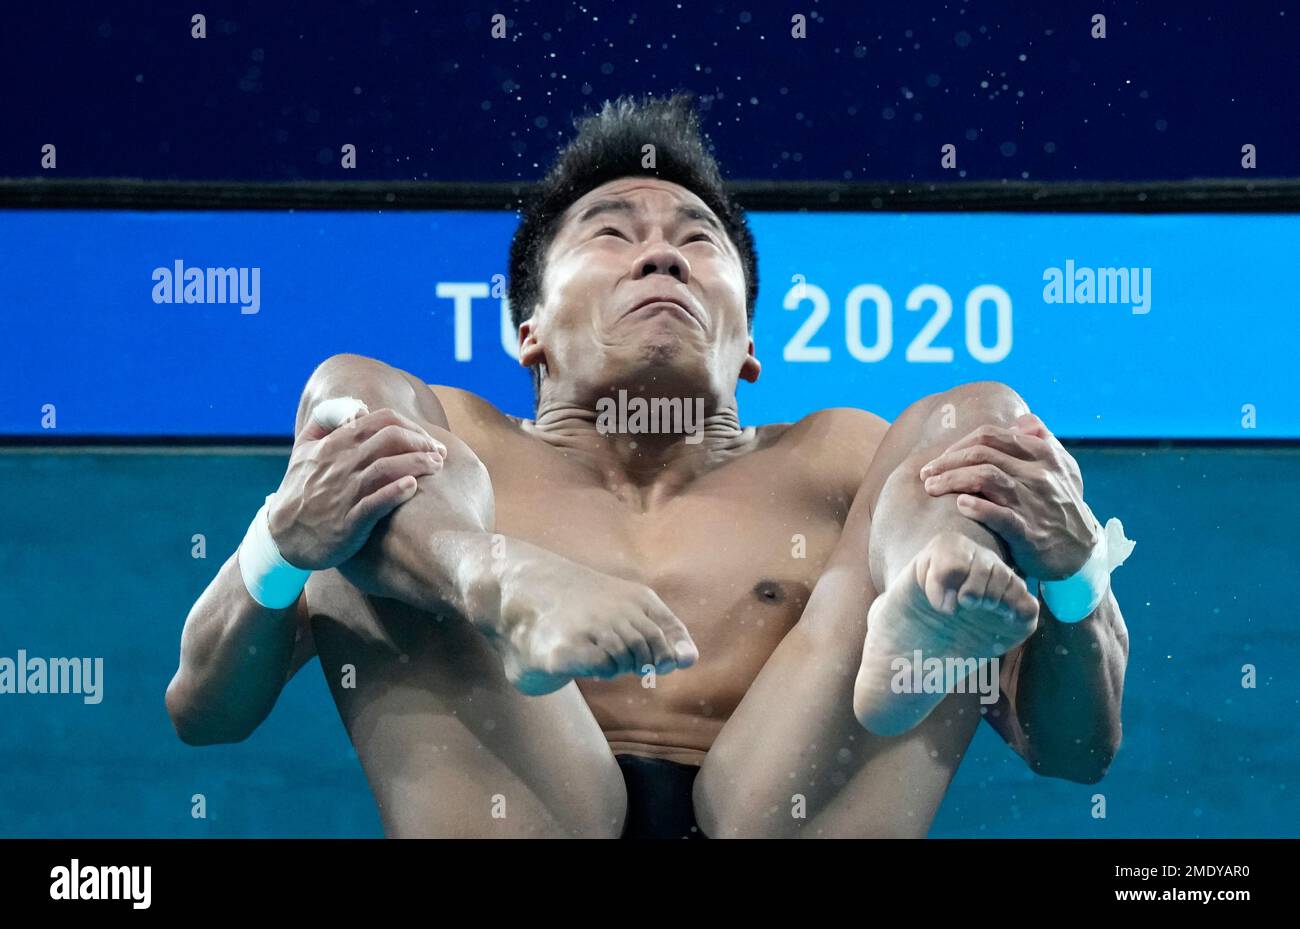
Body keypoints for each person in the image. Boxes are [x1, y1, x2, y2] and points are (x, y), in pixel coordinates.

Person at [166, 93, 1129, 838]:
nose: (660, 257)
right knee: (355, 406)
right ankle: (485, 575)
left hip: (784, 811)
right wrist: (287, 548)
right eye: (614, 233)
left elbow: (1075, 748)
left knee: (980, 417)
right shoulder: (448, 440)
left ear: (748, 343)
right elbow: (203, 709)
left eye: (695, 242)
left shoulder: (850, 462)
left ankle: (914, 612)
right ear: (529, 329)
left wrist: (1077, 576)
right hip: (524, 819)